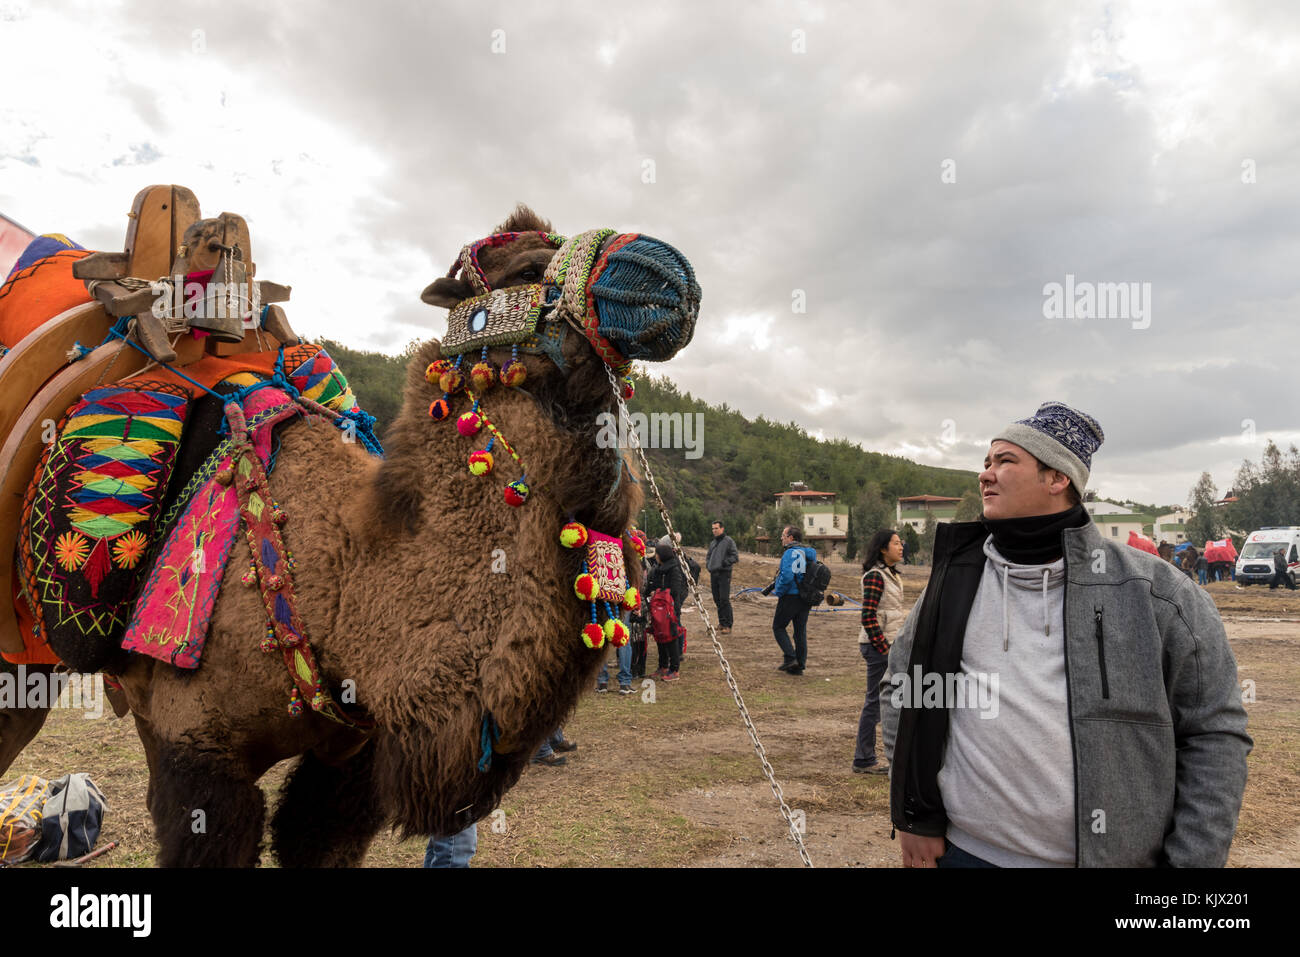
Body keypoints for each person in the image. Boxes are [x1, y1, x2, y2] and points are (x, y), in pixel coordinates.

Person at [882, 401, 1250, 868]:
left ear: (1058, 479)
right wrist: (915, 815)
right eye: (986, 462)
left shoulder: (1159, 594)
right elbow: (904, 689)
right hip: (965, 854)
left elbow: (1214, 733)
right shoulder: (954, 579)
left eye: (1005, 461)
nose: (986, 475)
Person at [853, 529, 904, 774]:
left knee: (882, 700)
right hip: (877, 647)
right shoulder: (876, 576)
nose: (901, 546)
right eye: (896, 543)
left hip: (888, 644)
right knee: (874, 702)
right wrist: (883, 648)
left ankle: (870, 756)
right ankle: (863, 759)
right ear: (884, 549)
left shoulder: (890, 575)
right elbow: (868, 615)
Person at [763, 526, 818, 675]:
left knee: (778, 627)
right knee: (800, 632)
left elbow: (787, 576)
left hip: (790, 596)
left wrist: (779, 591)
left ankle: (790, 658)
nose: (781, 538)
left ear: (791, 538)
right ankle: (799, 665)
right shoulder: (810, 553)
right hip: (805, 597)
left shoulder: (789, 553)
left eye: (783, 535)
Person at [646, 541, 687, 681]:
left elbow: (676, 590)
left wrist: (658, 592)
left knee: (671, 639)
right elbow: (654, 586)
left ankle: (674, 669)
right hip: (658, 610)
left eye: (657, 554)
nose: (655, 556)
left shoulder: (675, 569)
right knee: (660, 638)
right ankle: (662, 666)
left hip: (670, 610)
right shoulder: (658, 569)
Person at [706, 520, 740, 634]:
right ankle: (721, 622)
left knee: (724, 599)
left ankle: (728, 625)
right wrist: (709, 565)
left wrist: (724, 563)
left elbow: (735, 556)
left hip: (724, 574)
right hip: (713, 574)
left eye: (716, 528)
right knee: (717, 599)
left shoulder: (729, 541)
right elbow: (708, 556)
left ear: (722, 529)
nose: (714, 531)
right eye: (712, 528)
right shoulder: (713, 543)